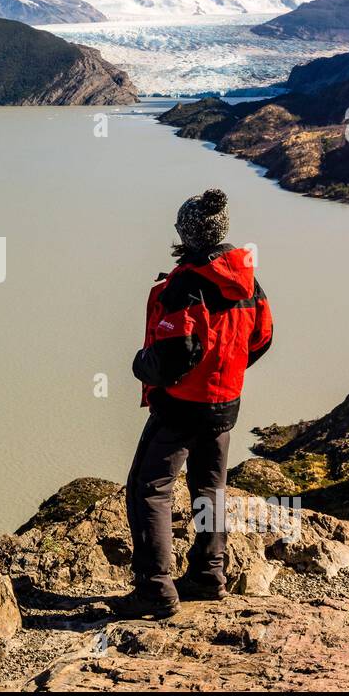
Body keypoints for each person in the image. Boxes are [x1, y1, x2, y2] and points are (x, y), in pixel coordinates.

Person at [117, 188, 274, 618]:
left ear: (188, 233)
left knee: (149, 488)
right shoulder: (246, 280)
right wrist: (225, 372)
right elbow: (261, 337)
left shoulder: (186, 283)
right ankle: (208, 574)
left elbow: (174, 355)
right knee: (209, 489)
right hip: (225, 404)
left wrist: (141, 365)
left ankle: (154, 588)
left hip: (183, 406)